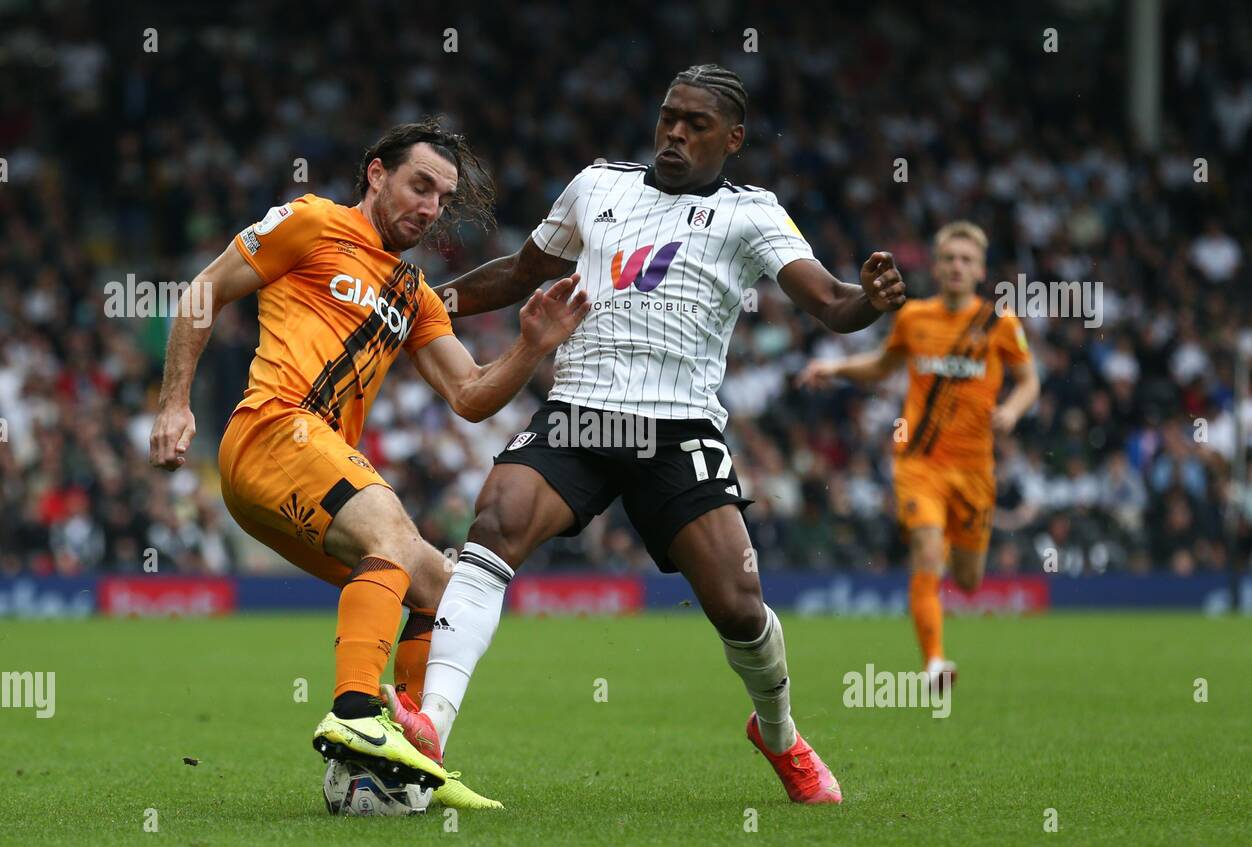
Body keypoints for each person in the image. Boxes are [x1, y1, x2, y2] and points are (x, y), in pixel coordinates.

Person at [385, 65, 908, 805]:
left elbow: (828, 301)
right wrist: (418, 302)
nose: (675, 134)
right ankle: (431, 726)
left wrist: (871, 301)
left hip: (677, 429)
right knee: (494, 524)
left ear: (734, 138)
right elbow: (520, 274)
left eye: (696, 124)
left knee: (737, 603)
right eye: (668, 117)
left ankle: (782, 736)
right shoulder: (598, 185)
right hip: (581, 413)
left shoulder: (752, 214)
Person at [148, 120, 589, 809]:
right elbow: (205, 289)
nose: (429, 207)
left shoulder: (413, 292)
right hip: (272, 429)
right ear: (376, 174)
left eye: (442, 198)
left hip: (312, 467)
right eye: (419, 186)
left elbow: (470, 395)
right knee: (391, 531)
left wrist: (532, 346)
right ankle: (355, 715)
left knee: (437, 586)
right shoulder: (311, 221)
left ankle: (406, 756)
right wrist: (175, 402)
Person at [799, 221, 1040, 688]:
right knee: (927, 551)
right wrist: (835, 368)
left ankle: (948, 556)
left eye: (966, 260)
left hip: (974, 469)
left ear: (980, 269)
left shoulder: (999, 323)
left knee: (968, 580)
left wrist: (1010, 410)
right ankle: (934, 663)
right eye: (949, 258)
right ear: (936, 265)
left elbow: (1029, 380)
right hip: (919, 462)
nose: (956, 266)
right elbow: (883, 365)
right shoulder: (913, 318)